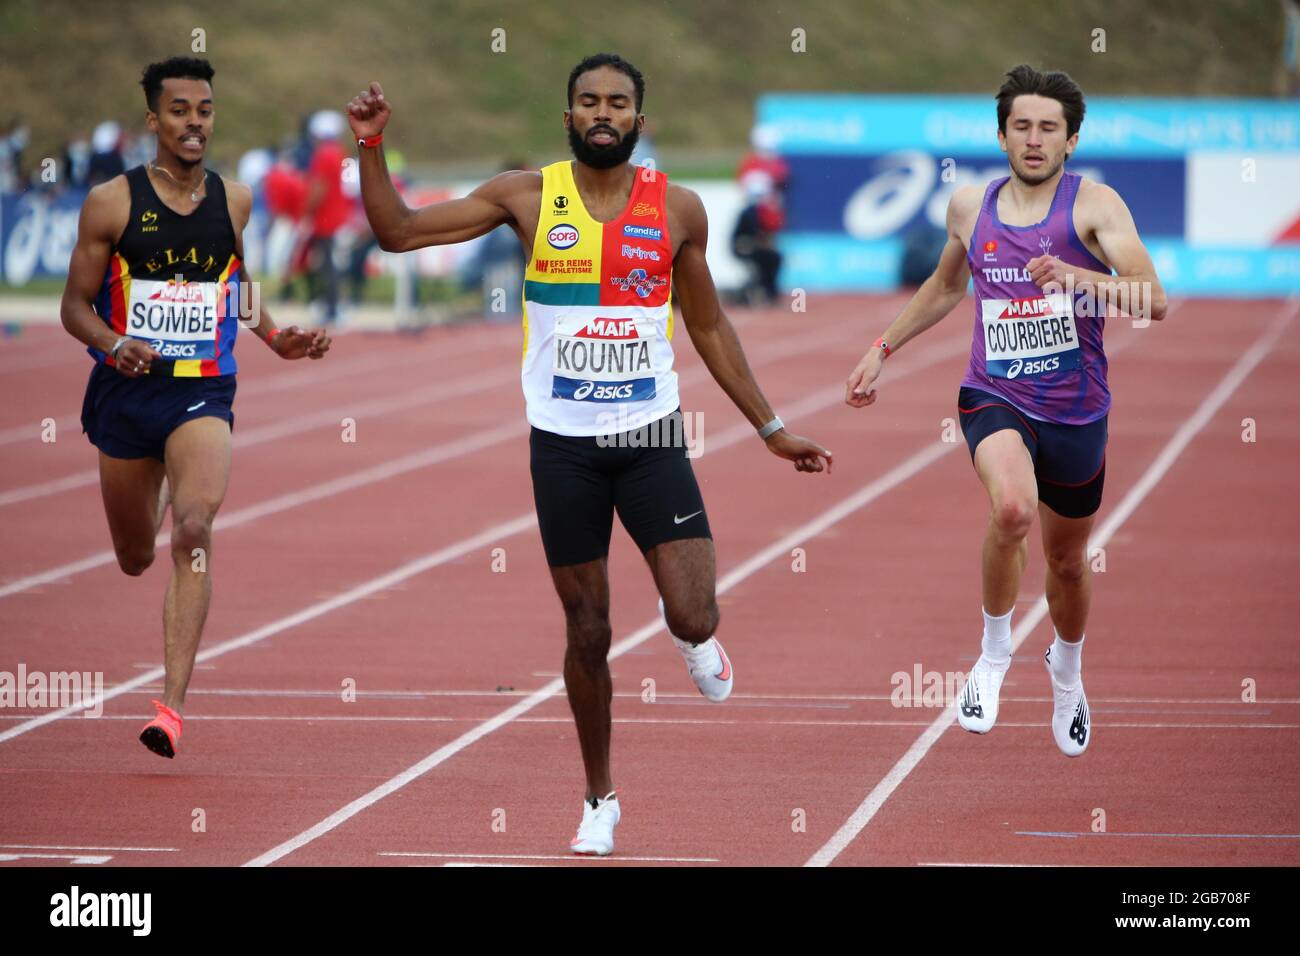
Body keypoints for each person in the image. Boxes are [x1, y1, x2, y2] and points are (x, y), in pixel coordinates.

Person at [347, 52, 833, 854]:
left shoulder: (678, 210)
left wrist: (770, 427)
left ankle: (694, 639)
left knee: (692, 608)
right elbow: (397, 233)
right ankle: (599, 797)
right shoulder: (525, 197)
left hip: (649, 437)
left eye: (617, 102)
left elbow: (707, 325)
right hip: (563, 447)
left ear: (639, 121)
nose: (601, 112)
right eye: (587, 101)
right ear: (566, 116)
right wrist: (369, 147)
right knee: (587, 630)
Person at [844, 64, 1166, 757]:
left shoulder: (1096, 208)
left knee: (1069, 562)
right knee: (1013, 511)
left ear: (1071, 141)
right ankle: (993, 656)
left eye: (1049, 128)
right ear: (1001, 134)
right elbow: (944, 284)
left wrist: (1078, 277)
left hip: (1078, 411)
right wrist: (882, 347)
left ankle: (1067, 670)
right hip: (994, 394)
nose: (1034, 139)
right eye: (1021, 125)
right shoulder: (969, 206)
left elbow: (1153, 298)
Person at [59, 57, 332, 759]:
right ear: (154, 120)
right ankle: (148, 505)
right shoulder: (110, 203)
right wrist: (113, 341)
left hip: (202, 389)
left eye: (204, 110)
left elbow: (234, 282)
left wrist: (276, 337)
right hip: (125, 394)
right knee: (133, 556)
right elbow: (73, 307)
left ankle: (170, 708)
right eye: (180, 111)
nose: (195, 123)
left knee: (195, 529)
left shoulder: (234, 200)